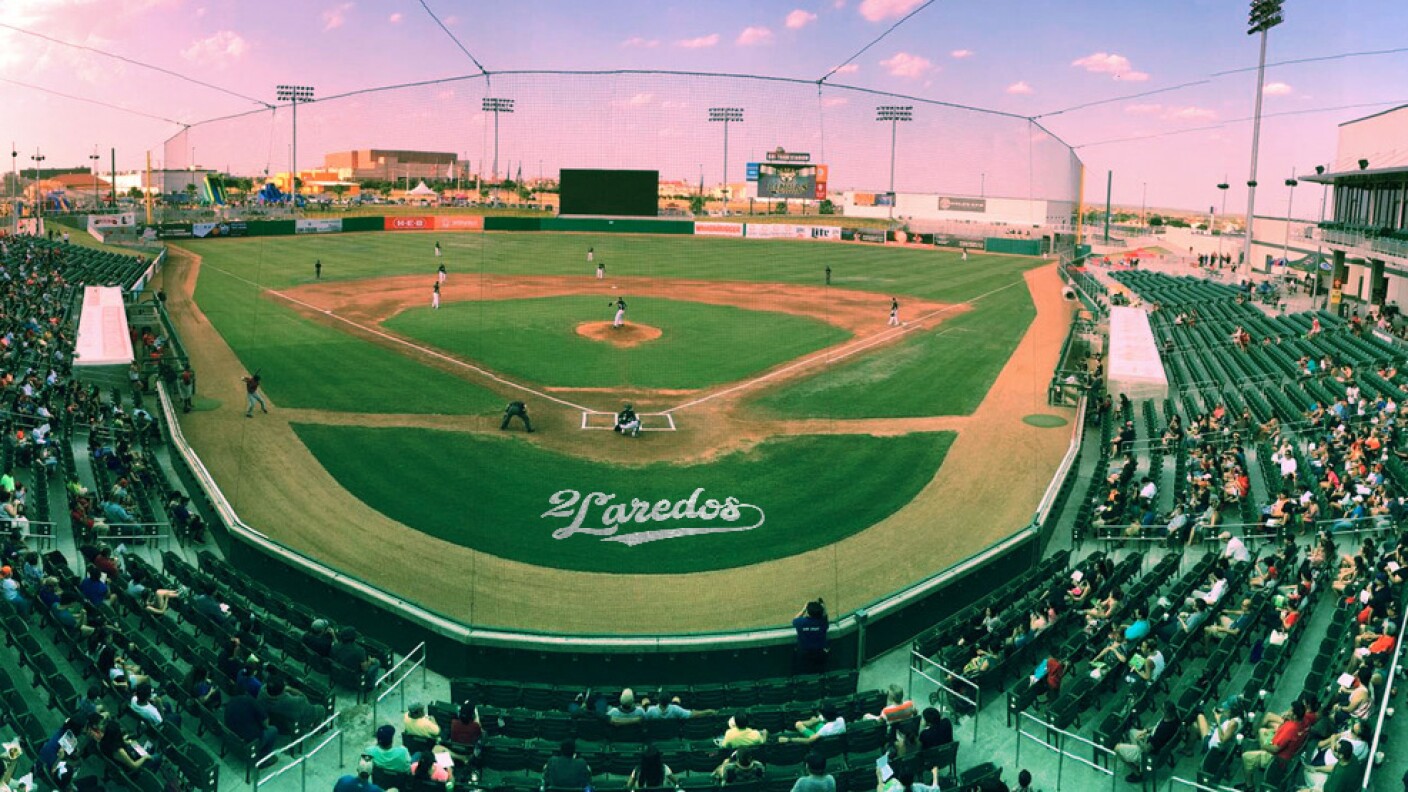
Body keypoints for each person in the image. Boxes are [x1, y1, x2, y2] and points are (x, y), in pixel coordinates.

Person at [1115, 702, 1182, 782]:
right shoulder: (1174, 718)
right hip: (1150, 740)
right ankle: (1137, 761)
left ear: (1166, 713)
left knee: (1117, 748)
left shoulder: (1162, 732)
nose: (1160, 710)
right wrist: (1146, 731)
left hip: (1149, 754)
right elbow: (1157, 726)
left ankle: (1138, 773)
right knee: (1131, 732)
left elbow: (1146, 749)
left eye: (1162, 709)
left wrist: (1139, 741)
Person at [793, 598, 829, 673]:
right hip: (819, 655)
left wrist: (804, 609)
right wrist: (823, 606)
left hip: (803, 655)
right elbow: (825, 616)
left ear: (808, 612)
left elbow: (795, 619)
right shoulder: (823, 623)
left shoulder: (800, 622)